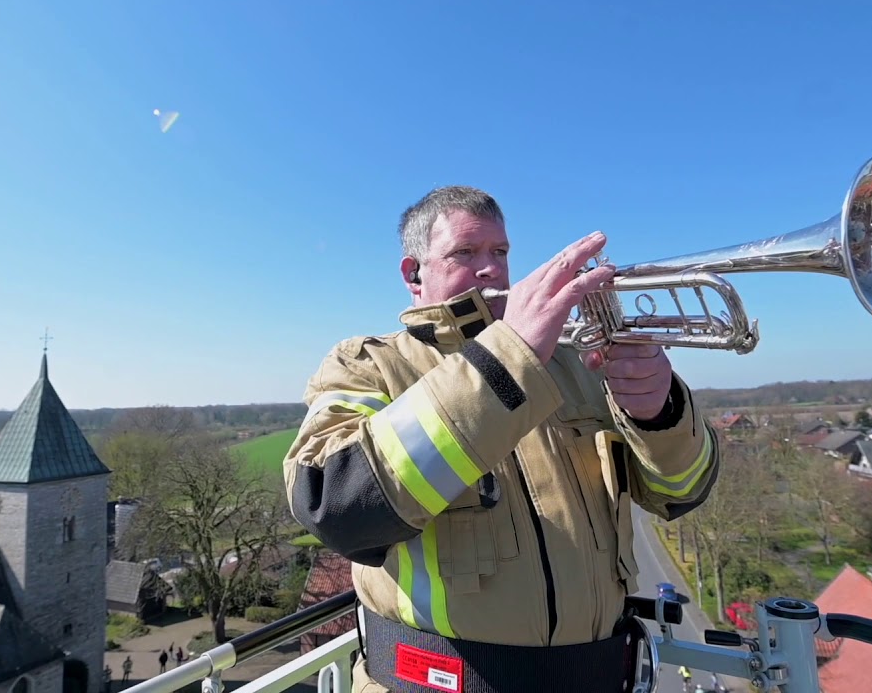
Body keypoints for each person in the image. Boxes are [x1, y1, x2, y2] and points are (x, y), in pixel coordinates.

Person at [284, 186, 720, 693]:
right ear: (413, 273)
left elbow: (680, 492)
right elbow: (334, 504)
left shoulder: (576, 362)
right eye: (465, 253)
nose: (490, 268)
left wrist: (658, 411)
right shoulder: (368, 365)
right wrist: (508, 359)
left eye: (501, 252)